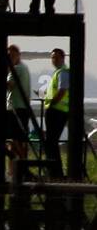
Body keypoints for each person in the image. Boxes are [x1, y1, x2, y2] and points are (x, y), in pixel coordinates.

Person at [44, 48, 70, 178]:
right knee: (51, 142)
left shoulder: (63, 73)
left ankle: (56, 172)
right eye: (52, 57)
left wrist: (52, 103)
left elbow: (62, 91)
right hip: (56, 110)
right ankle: (54, 171)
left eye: (56, 57)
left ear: (62, 58)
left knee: (51, 142)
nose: (54, 60)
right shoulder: (58, 72)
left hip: (57, 111)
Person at [6, 44, 33, 164]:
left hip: (15, 106)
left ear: (18, 55)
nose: (10, 58)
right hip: (24, 106)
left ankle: (21, 164)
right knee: (20, 138)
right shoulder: (25, 68)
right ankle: (15, 168)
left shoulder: (16, 69)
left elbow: (10, 85)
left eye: (12, 56)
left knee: (15, 138)